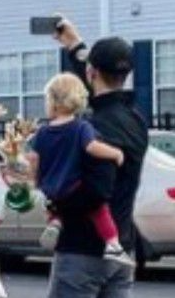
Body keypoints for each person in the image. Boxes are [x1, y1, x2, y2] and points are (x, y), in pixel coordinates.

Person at [31, 16, 149, 298]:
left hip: (83, 250)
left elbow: (95, 190)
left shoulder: (93, 127)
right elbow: (101, 80)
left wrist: (56, 200)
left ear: (93, 76)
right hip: (122, 249)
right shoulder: (135, 118)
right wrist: (76, 45)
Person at [30, 73, 134, 268]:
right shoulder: (80, 127)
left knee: (56, 210)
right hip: (73, 187)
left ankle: (54, 223)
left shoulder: (42, 132)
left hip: (51, 191)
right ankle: (113, 245)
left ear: (52, 102)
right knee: (99, 210)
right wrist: (116, 154)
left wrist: (36, 182)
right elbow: (92, 147)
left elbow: (34, 159)